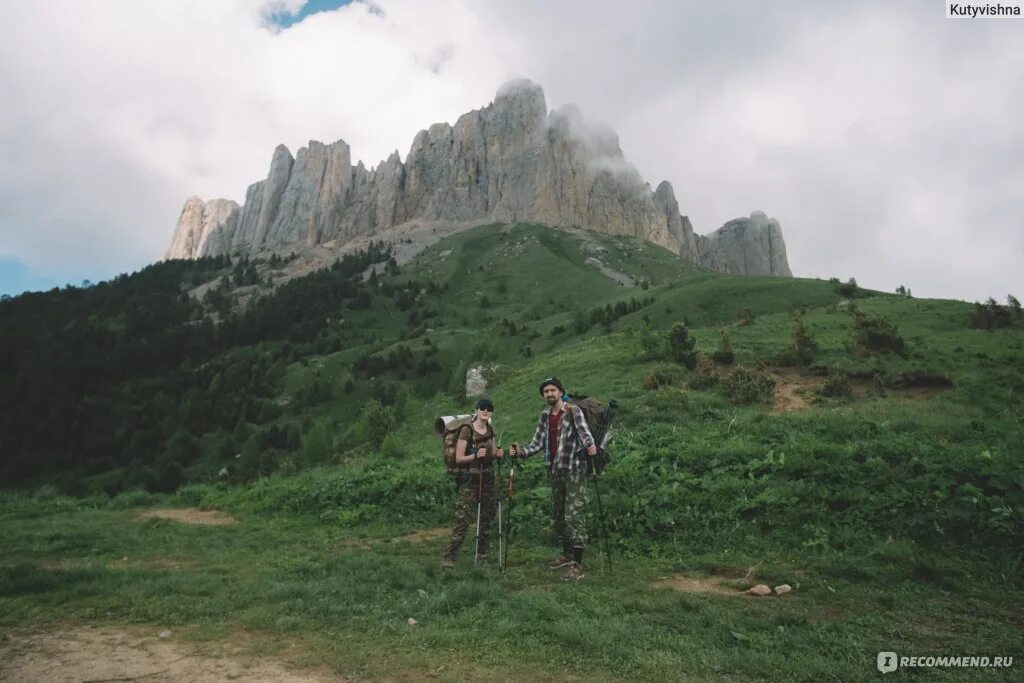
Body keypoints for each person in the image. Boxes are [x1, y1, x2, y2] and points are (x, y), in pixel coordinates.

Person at [510, 377, 597, 581]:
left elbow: (585, 433)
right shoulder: (545, 415)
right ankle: (567, 554)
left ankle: (577, 564)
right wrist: (521, 452)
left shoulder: (572, 410)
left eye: (553, 390)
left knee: (574, 515)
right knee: (559, 515)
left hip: (574, 469)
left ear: (560, 391)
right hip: (555, 471)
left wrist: (590, 446)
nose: (549, 394)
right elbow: (537, 443)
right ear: (543, 395)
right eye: (546, 391)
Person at [441, 397, 504, 568]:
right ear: (476, 410)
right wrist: (475, 456)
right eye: (482, 407)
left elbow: (490, 453)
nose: (485, 411)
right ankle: (449, 558)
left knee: (486, 518)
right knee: (462, 519)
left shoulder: (490, 430)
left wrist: (497, 454)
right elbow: (459, 458)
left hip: (488, 478)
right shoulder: (466, 430)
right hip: (469, 479)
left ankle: (481, 556)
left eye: (489, 408)